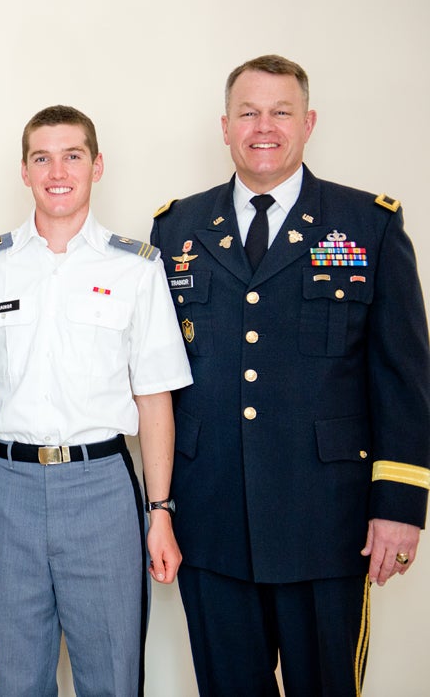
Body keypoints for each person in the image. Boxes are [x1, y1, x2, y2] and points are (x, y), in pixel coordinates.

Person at [150, 54, 430, 695]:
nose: (264, 127)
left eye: (281, 112)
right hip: (211, 515)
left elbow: (404, 378)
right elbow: (156, 379)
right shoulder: (178, 230)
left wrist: (398, 506)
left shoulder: (368, 226)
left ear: (309, 122)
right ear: (225, 126)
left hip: (326, 522)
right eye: (248, 112)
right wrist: (159, 507)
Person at [0, 105, 192, 696]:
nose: (57, 170)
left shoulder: (136, 268)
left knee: (112, 678)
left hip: (102, 487)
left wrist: (159, 512)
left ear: (97, 165)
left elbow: (155, 398)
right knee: (17, 677)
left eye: (72, 155)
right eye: (42, 157)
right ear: (24, 170)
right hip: (9, 487)